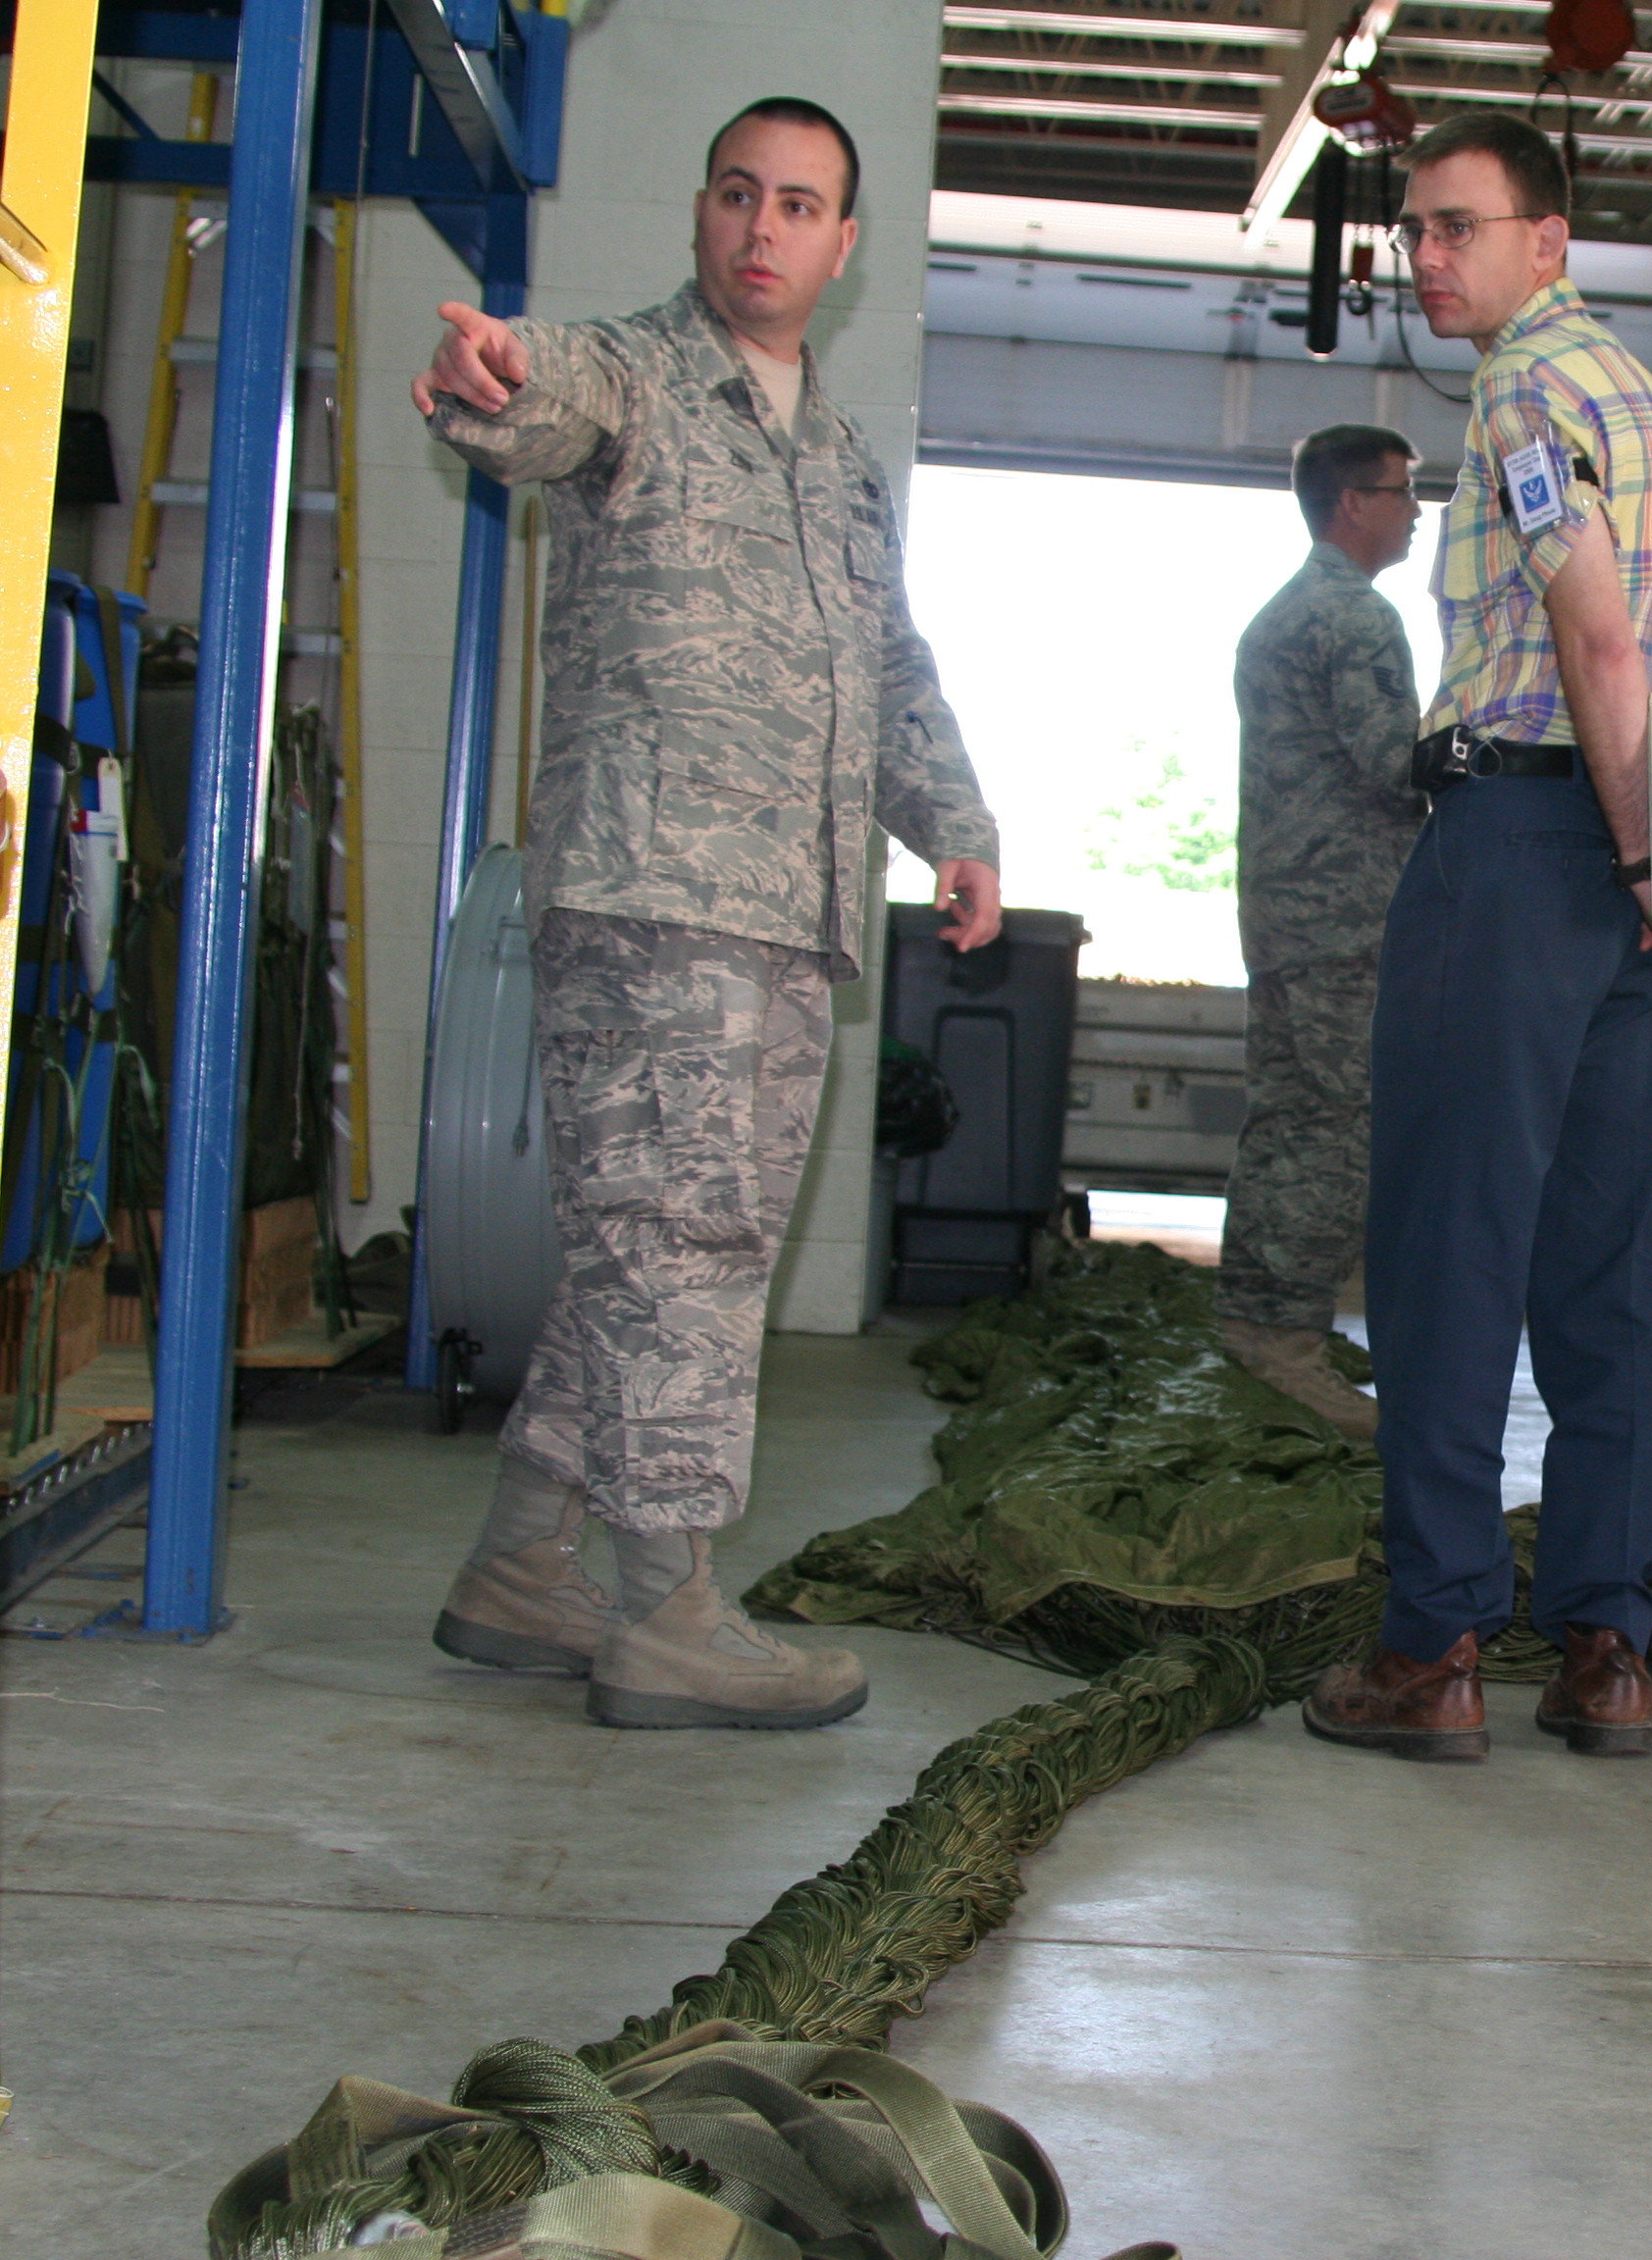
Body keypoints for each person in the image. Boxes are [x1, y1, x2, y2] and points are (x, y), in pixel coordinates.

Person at [418, 98, 1002, 1730]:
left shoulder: (839, 459)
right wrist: (494, 378)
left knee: (662, 1248)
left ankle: (525, 1563)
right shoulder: (632, 375)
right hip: (652, 898)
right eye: (740, 194)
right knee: (681, 1248)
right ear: (700, 213)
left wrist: (950, 824)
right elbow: (539, 403)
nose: (764, 228)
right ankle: (666, 1609)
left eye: (800, 204)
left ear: (843, 242)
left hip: (790, 914)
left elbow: (886, 664)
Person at [1301, 114, 1652, 1766]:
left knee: (1446, 1251)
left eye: (1459, 226)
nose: (1426, 255)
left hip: (1522, 848)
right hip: (1633, 854)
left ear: (1545, 242)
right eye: (1415, 228)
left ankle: (1434, 1643)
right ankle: (1608, 1642)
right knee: (1600, 1253)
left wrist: (1633, 853)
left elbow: (1603, 635)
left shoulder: (1524, 398)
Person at [1217, 425, 1430, 1441]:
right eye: (1402, 491)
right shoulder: (1356, 616)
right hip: (1346, 918)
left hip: (1288, 912)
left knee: (1286, 1121)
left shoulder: (1285, 612)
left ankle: (1259, 1325)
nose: (1415, 510)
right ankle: (1283, 1345)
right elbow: (1397, 761)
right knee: (1338, 1134)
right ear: (1355, 502)